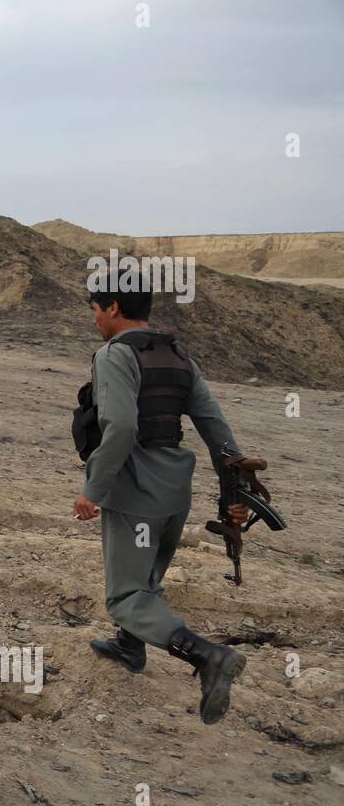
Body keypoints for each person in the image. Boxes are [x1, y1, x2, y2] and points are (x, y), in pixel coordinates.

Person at [75, 271, 250, 724]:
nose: (93, 318)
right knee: (148, 574)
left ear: (113, 307)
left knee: (128, 595)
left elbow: (121, 427)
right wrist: (236, 486)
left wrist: (92, 491)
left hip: (136, 491)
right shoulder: (177, 356)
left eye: (94, 308)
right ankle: (130, 646)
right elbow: (217, 429)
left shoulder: (115, 355)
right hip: (175, 491)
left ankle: (207, 657)